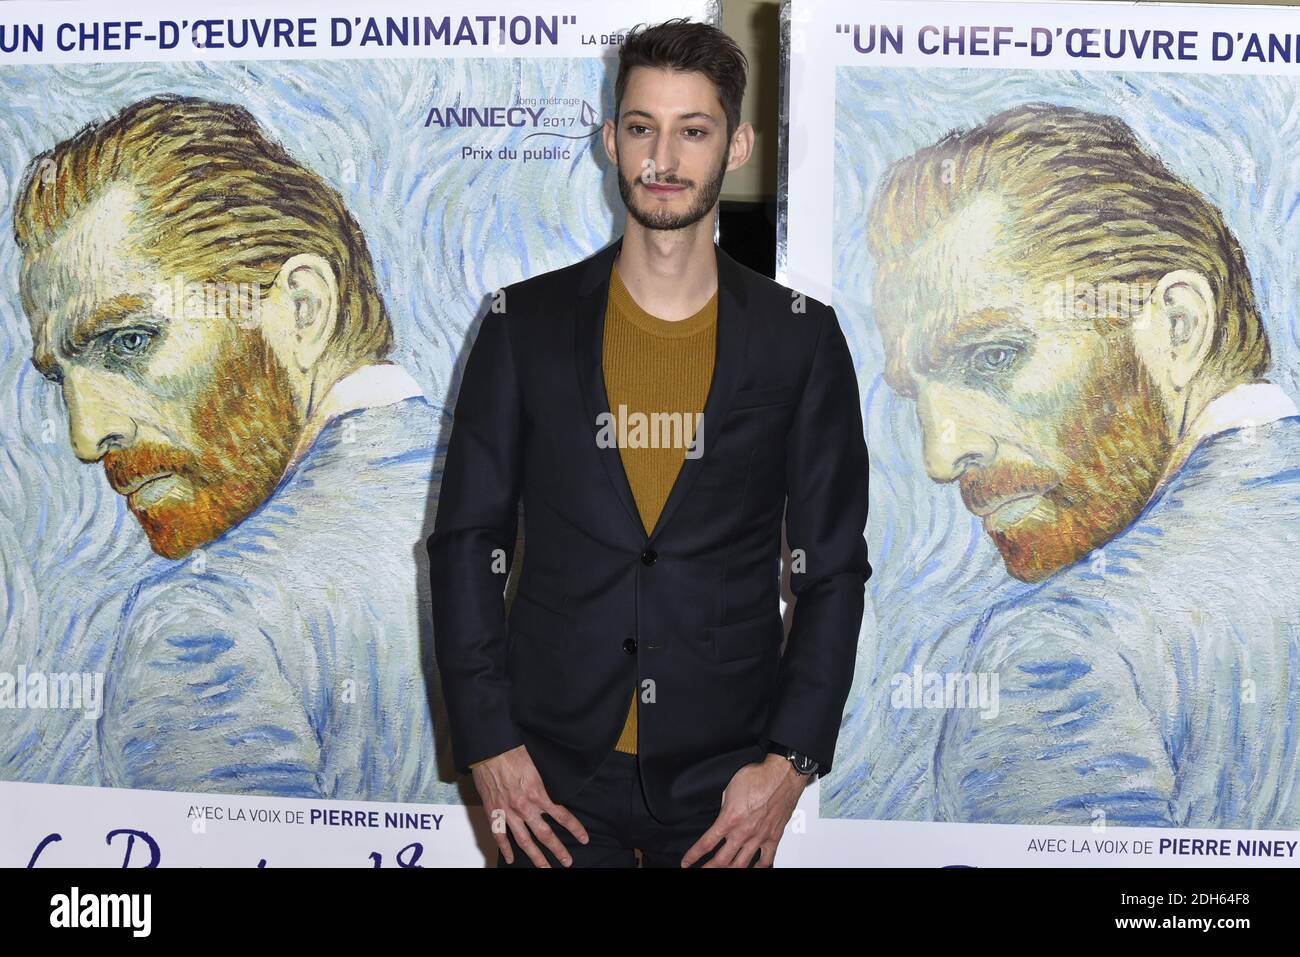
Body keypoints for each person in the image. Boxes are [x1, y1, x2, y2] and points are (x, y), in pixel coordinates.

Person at [427, 17, 871, 867]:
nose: (663, 158)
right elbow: (465, 543)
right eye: (642, 128)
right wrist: (488, 743)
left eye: (692, 131)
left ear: (736, 145)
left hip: (724, 781)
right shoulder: (523, 326)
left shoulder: (801, 341)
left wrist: (789, 764)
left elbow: (834, 571)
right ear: (610, 140)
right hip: (549, 776)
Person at [13, 94, 457, 802]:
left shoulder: (201, 633)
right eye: (62, 380)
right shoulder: (564, 507)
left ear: (302, 310)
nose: (86, 435)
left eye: (130, 340)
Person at [867, 103, 1300, 826]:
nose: (942, 455)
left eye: (994, 355)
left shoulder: (1055, 664)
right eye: (918, 396)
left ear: (1178, 327)